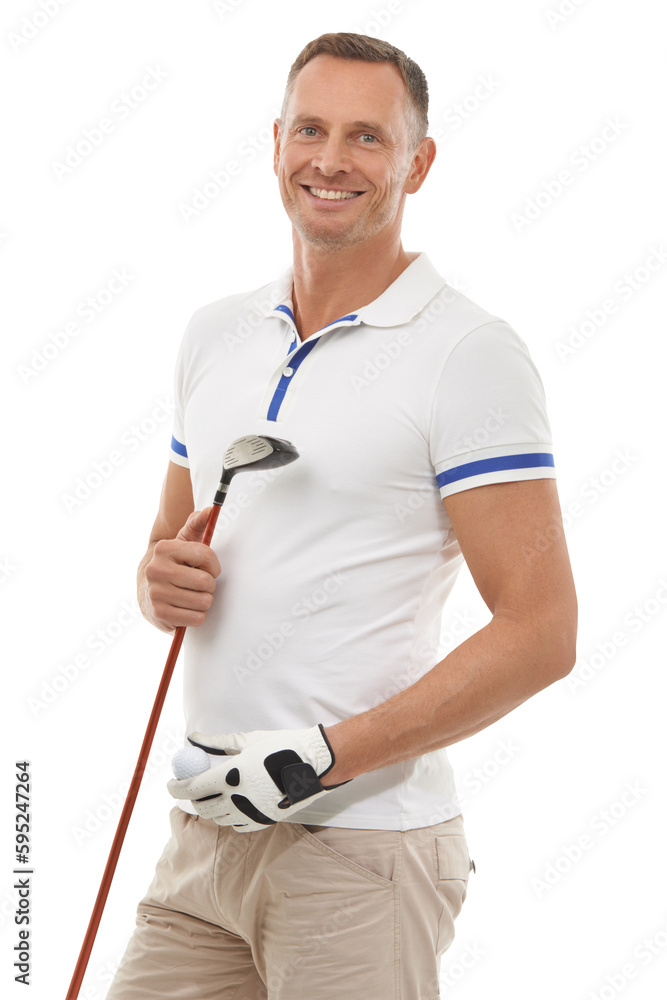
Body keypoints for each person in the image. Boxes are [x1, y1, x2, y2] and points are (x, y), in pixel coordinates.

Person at [107, 31, 577, 1000]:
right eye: (311, 129)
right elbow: (168, 554)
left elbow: (543, 631)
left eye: (368, 136)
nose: (331, 159)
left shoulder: (468, 353)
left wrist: (322, 758)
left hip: (360, 857)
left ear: (419, 161)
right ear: (276, 141)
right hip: (203, 840)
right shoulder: (214, 335)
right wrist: (159, 580)